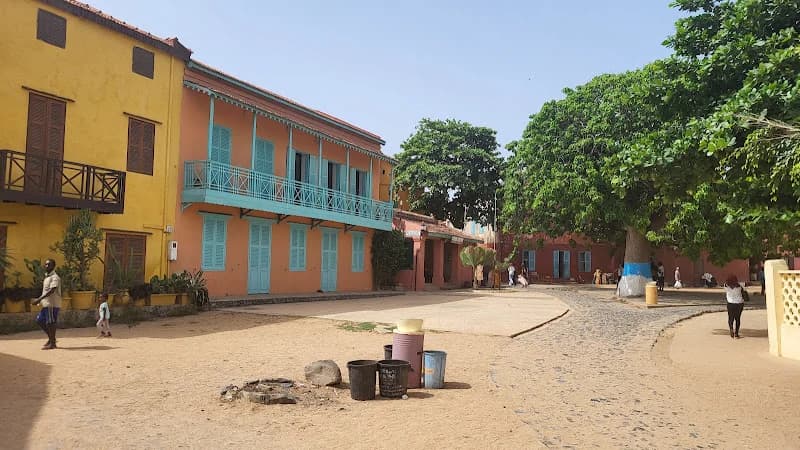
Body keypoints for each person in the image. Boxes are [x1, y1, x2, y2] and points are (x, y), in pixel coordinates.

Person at [31, 258, 62, 350]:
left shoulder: (55, 277)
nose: (46, 266)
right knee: (39, 320)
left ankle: (52, 343)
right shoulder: (47, 277)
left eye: (49, 264)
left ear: (53, 266)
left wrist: (39, 299)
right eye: (46, 264)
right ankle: (52, 339)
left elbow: (52, 290)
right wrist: (40, 301)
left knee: (50, 323)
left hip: (52, 304)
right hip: (46, 304)